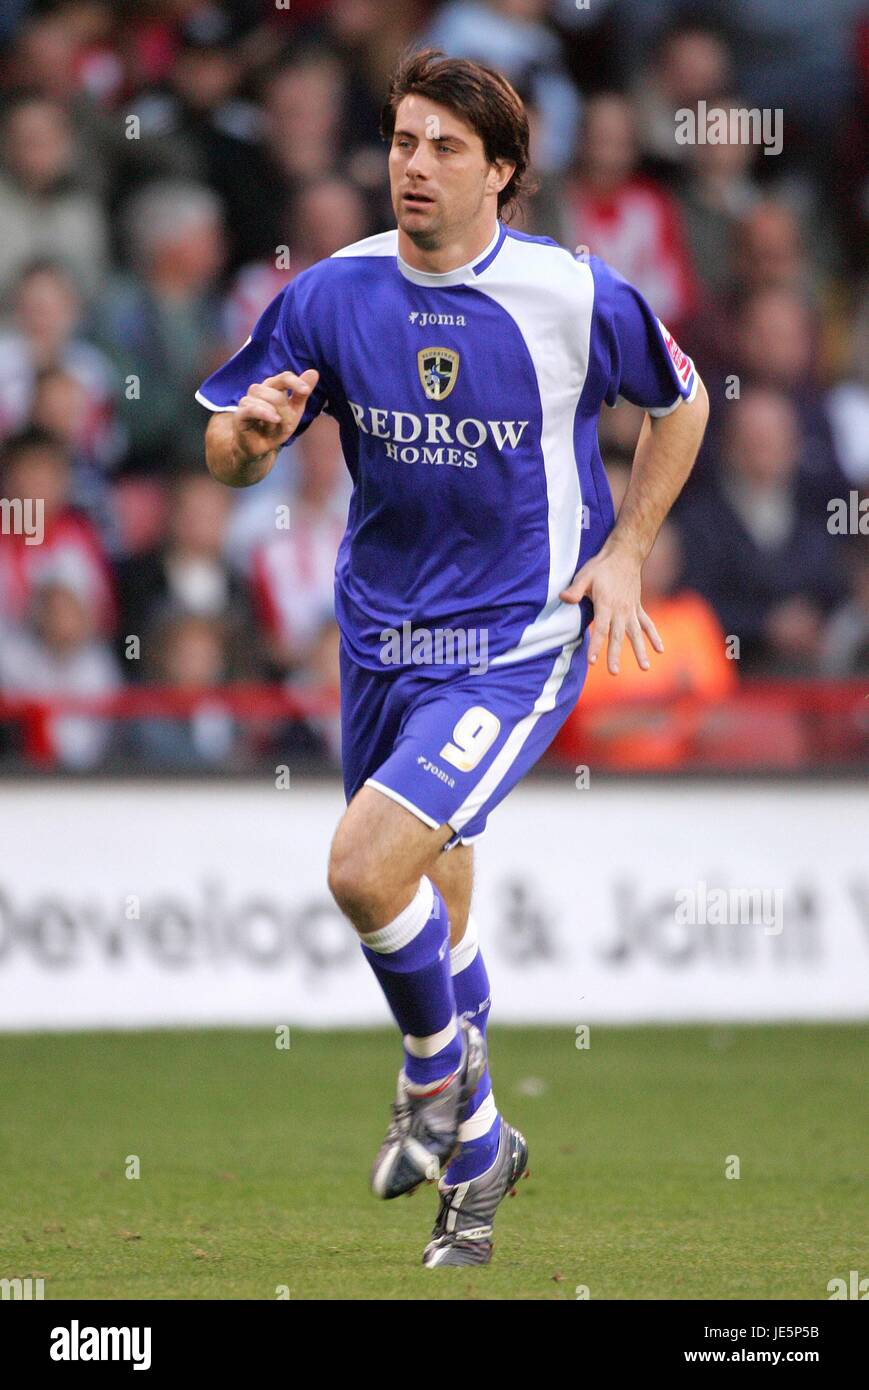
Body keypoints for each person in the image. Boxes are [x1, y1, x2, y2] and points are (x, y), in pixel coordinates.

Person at [197, 47, 708, 1268]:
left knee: (364, 871)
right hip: (379, 638)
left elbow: (681, 400)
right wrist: (252, 443)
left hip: (515, 642)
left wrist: (629, 546)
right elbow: (224, 447)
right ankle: (471, 1133)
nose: (411, 166)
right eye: (401, 141)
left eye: (442, 149)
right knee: (436, 888)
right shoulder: (329, 293)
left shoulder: (575, 296)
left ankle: (448, 1098)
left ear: (503, 174)